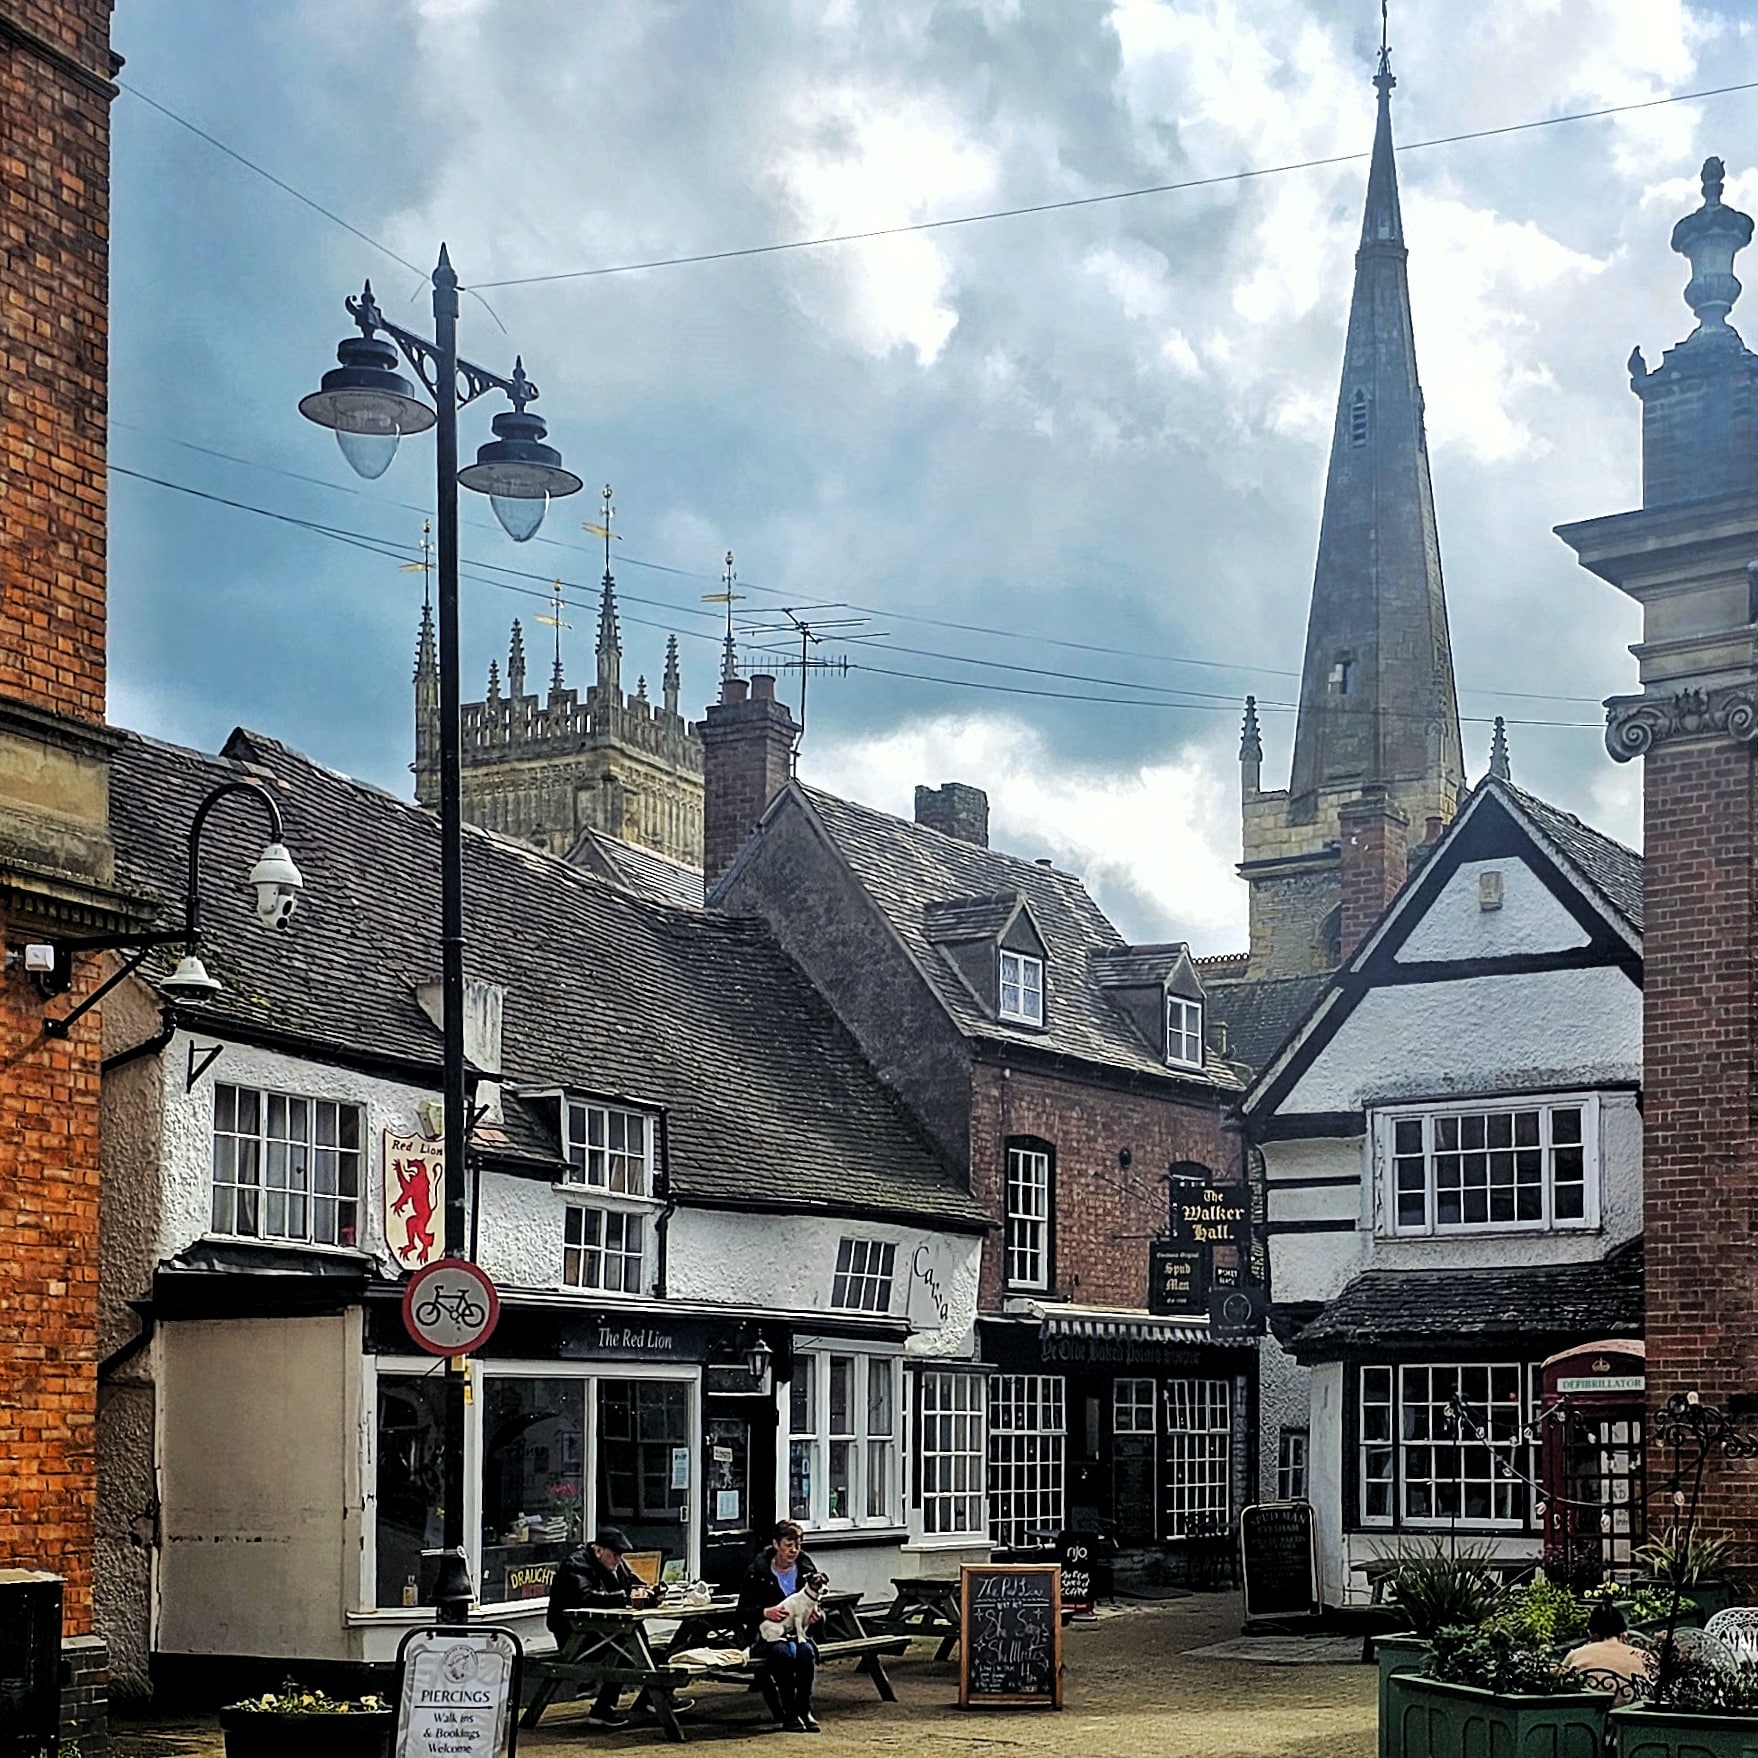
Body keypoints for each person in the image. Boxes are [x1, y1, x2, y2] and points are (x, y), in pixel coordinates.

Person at [547, 1526, 656, 1729]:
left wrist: (648, 1592)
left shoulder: (617, 1565)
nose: (618, 1560)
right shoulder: (575, 1565)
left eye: (620, 1555)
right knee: (629, 1644)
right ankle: (642, 1698)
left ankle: (650, 1696)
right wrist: (625, 1598)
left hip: (602, 1631)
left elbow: (633, 1582)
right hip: (574, 1634)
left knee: (634, 1640)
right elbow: (585, 1597)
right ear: (599, 1551)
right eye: (614, 1555)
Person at [739, 1519, 823, 1732]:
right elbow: (742, 1611)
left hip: (800, 1633)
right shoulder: (757, 1570)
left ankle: (805, 1709)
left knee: (806, 1653)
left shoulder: (807, 1568)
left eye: (798, 1544)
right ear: (776, 1544)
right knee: (781, 1654)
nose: (794, 1550)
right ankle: (789, 1713)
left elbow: (819, 1607)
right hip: (768, 1634)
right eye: (789, 1544)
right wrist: (764, 1612)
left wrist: (817, 1618)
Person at [1564, 1598, 1649, 1702]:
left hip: (1586, 1714)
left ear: (1591, 1633)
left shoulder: (1576, 1655)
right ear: (1624, 1633)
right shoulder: (1642, 1657)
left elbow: (1559, 1680)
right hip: (1627, 1714)